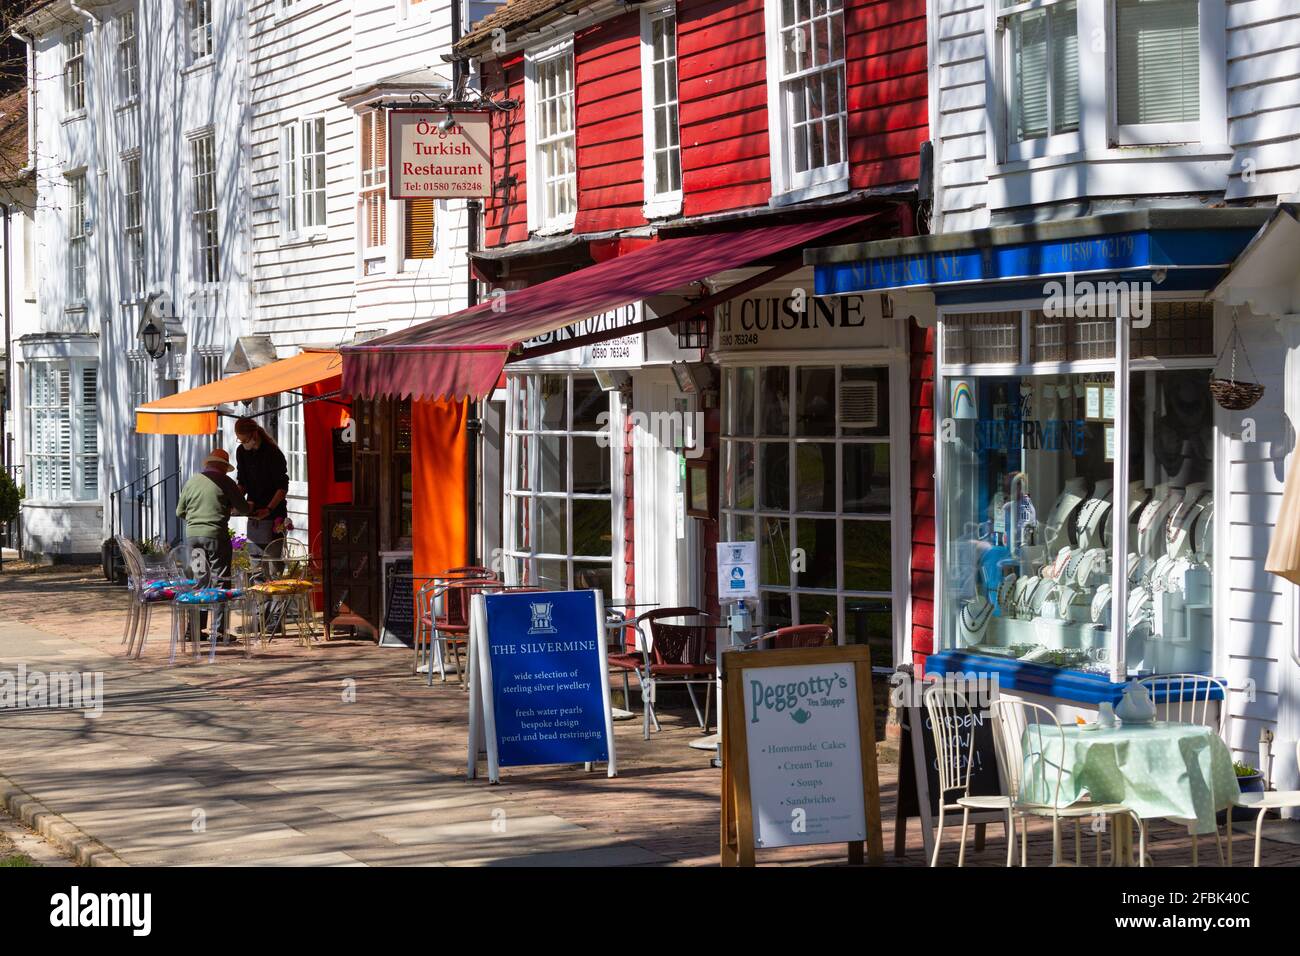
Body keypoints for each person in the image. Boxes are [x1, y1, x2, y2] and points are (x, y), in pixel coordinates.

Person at [175, 448, 249, 641]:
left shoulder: (192, 481)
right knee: (220, 580)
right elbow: (243, 507)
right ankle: (219, 631)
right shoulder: (225, 482)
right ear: (223, 467)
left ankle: (194, 630)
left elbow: (180, 511)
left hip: (193, 538)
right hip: (216, 536)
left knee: (200, 580)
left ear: (208, 464)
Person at [233, 417, 290, 566]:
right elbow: (242, 483)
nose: (244, 444)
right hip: (254, 515)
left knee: (273, 563)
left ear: (254, 434)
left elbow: (282, 487)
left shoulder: (273, 453)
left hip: (274, 514)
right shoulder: (242, 452)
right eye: (240, 441)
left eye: (245, 440)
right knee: (256, 564)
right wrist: (234, 501)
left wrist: (269, 509)